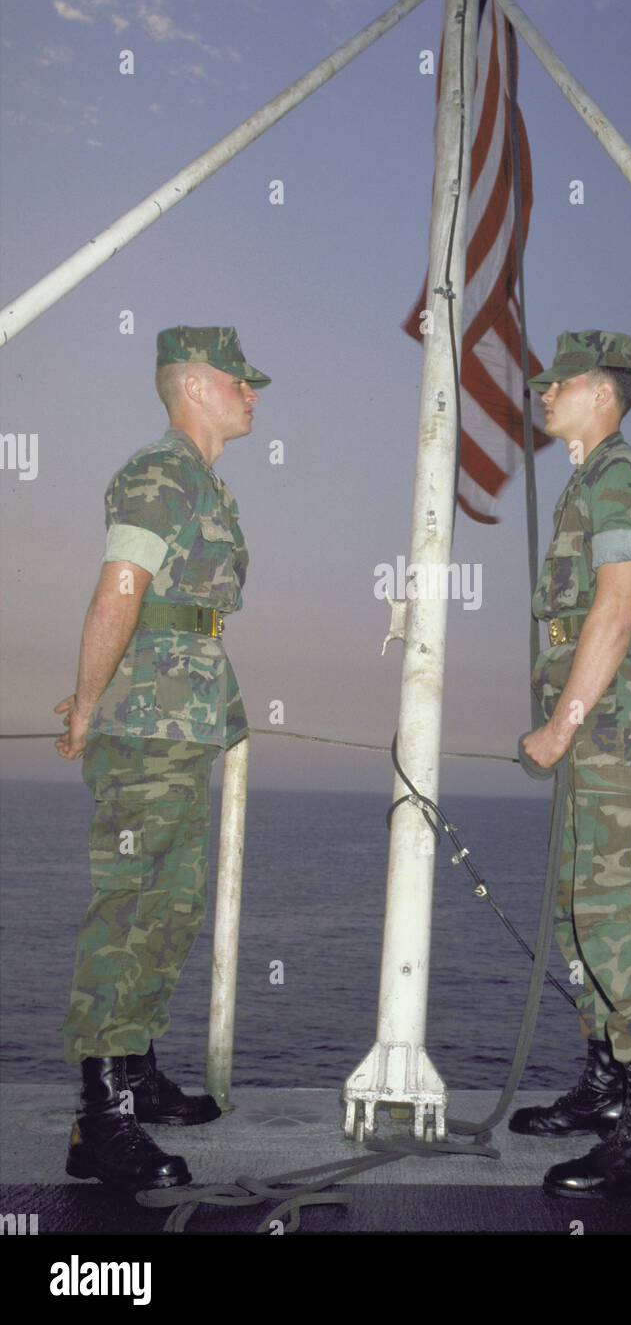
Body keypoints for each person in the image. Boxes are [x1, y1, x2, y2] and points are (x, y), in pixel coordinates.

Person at [54, 325, 271, 1192]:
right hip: (145, 726)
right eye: (239, 381)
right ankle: (98, 1120)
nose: (253, 395)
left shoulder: (198, 480)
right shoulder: (159, 475)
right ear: (191, 385)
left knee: (171, 907)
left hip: (181, 722)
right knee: (132, 908)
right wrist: (88, 702)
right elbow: (120, 591)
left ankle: (135, 1071)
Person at [510, 329, 631, 1199]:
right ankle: (603, 1085)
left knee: (625, 916)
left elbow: (617, 606)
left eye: (555, 383)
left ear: (599, 388)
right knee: (580, 910)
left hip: (612, 726)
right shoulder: (589, 480)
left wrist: (563, 721)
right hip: (601, 722)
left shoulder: (621, 475)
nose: (540, 394)